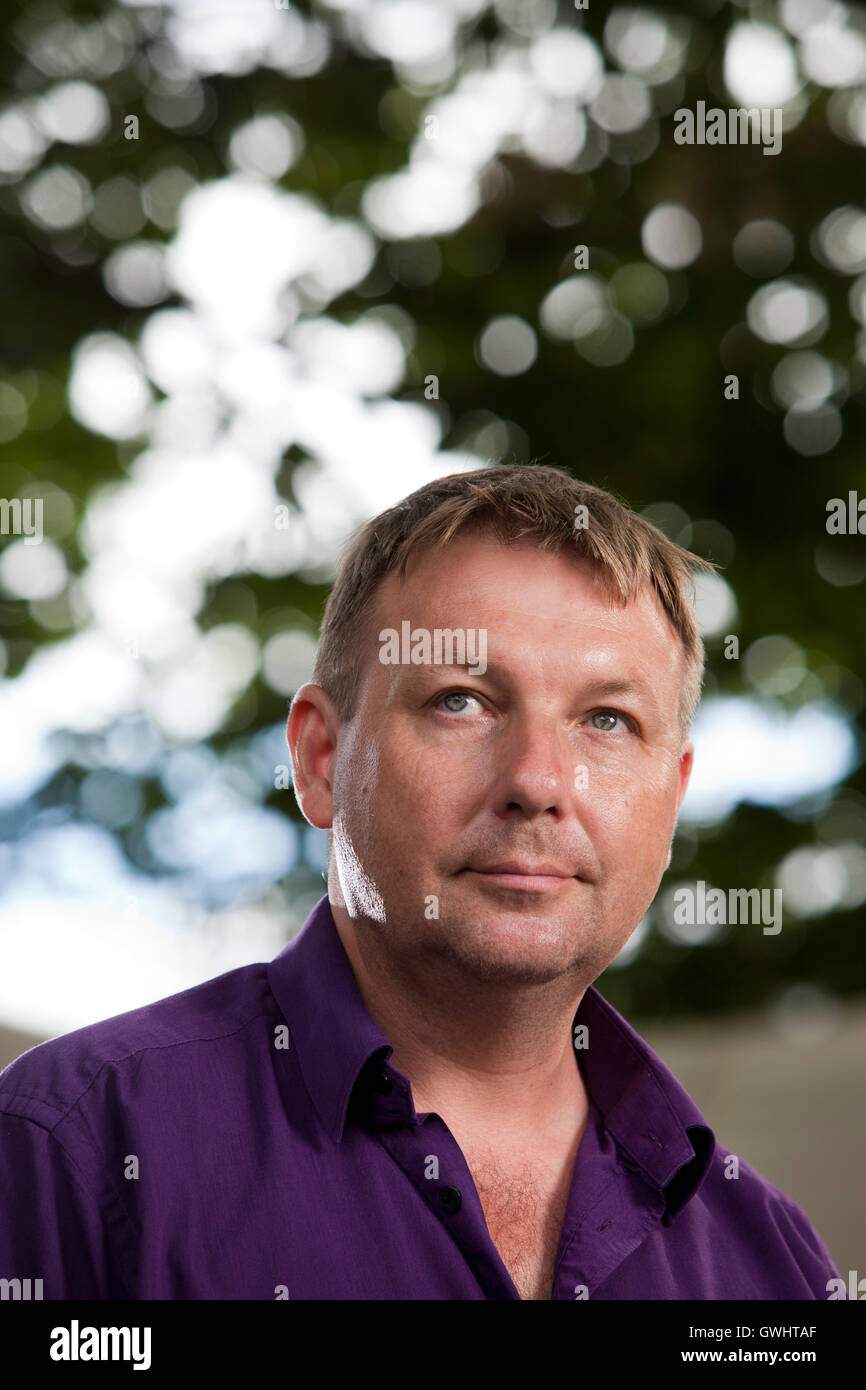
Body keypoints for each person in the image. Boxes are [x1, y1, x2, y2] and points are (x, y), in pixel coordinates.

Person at [0, 464, 843, 1300]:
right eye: (462, 702)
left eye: (608, 721)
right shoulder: (72, 1150)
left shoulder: (775, 1268)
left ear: (675, 797)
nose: (539, 782)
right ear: (320, 759)